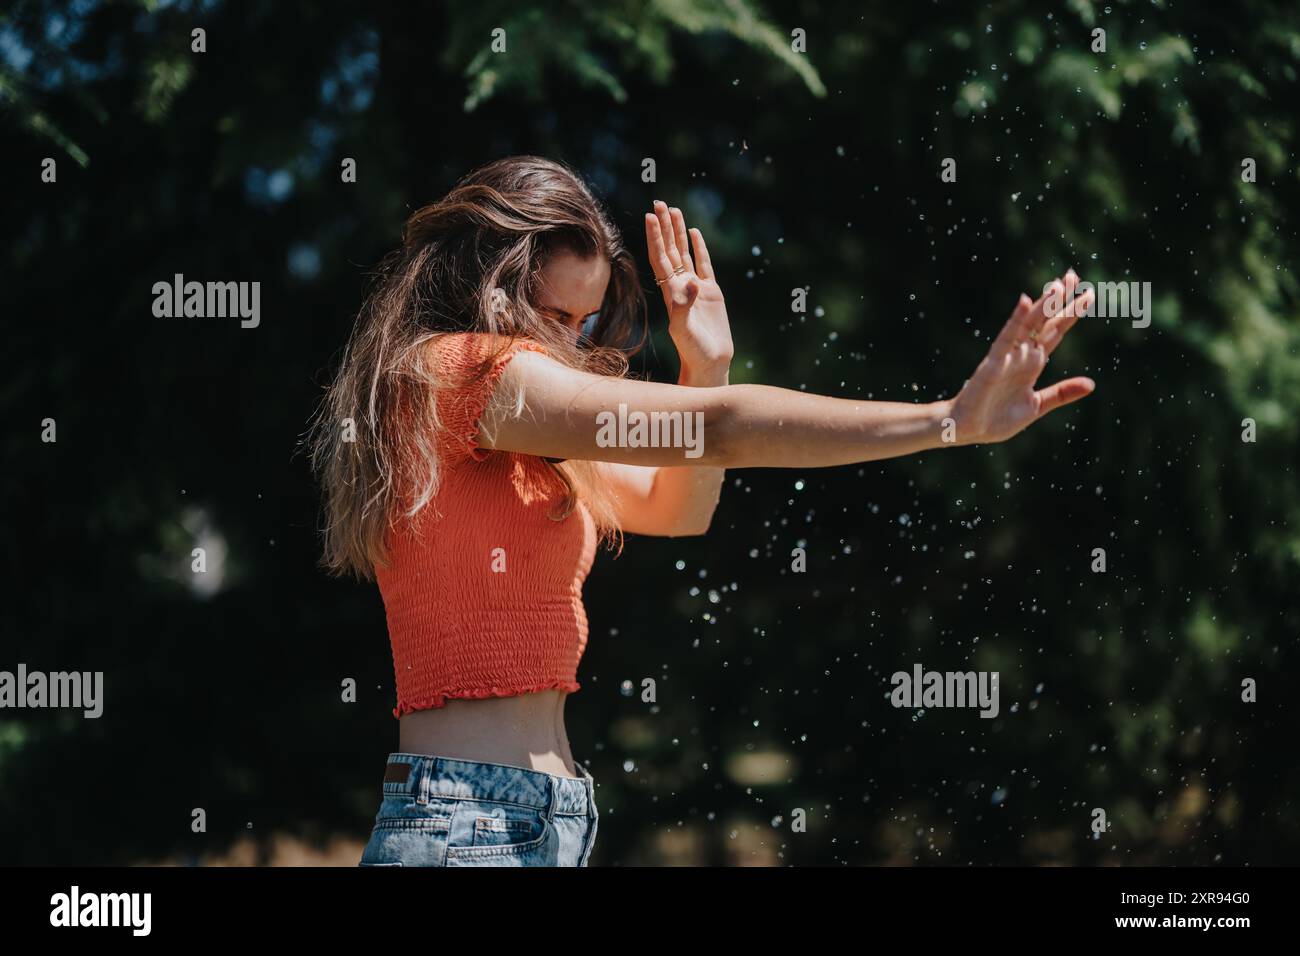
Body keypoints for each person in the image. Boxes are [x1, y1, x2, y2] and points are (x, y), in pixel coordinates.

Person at [306, 155, 1095, 867]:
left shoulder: (523, 434)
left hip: (536, 821)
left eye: (581, 323)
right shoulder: (461, 374)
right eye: (552, 318)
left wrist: (705, 361)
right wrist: (944, 419)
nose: (568, 344)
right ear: (488, 282)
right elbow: (712, 428)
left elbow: (677, 506)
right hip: (468, 826)